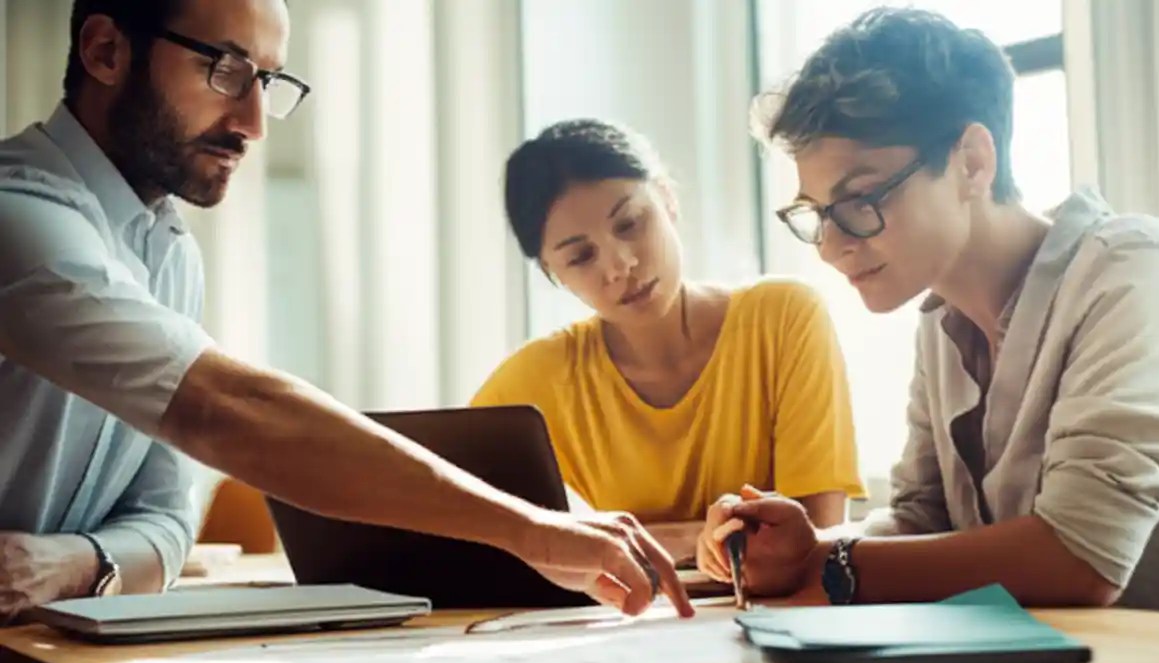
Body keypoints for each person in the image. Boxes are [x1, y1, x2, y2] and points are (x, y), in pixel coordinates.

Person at [0, 0, 691, 621]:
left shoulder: (170, 254)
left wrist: (80, 563)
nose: (252, 123)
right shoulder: (18, 218)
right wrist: (530, 529)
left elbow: (166, 520)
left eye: (268, 83)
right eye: (227, 70)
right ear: (105, 51)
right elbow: (228, 410)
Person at [698, 7, 1159, 614]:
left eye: (860, 200)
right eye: (814, 212)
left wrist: (830, 563)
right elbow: (923, 518)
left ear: (972, 160)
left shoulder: (1135, 269)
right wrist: (797, 548)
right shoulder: (940, 323)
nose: (833, 246)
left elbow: (1082, 558)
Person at [474, 119, 863, 563]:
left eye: (630, 223)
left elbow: (816, 539)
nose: (621, 264)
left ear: (667, 198)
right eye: (581, 257)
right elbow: (465, 532)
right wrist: (707, 537)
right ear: (551, 273)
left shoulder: (784, 319)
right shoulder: (534, 381)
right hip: (619, 622)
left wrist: (612, 541)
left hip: (774, 616)